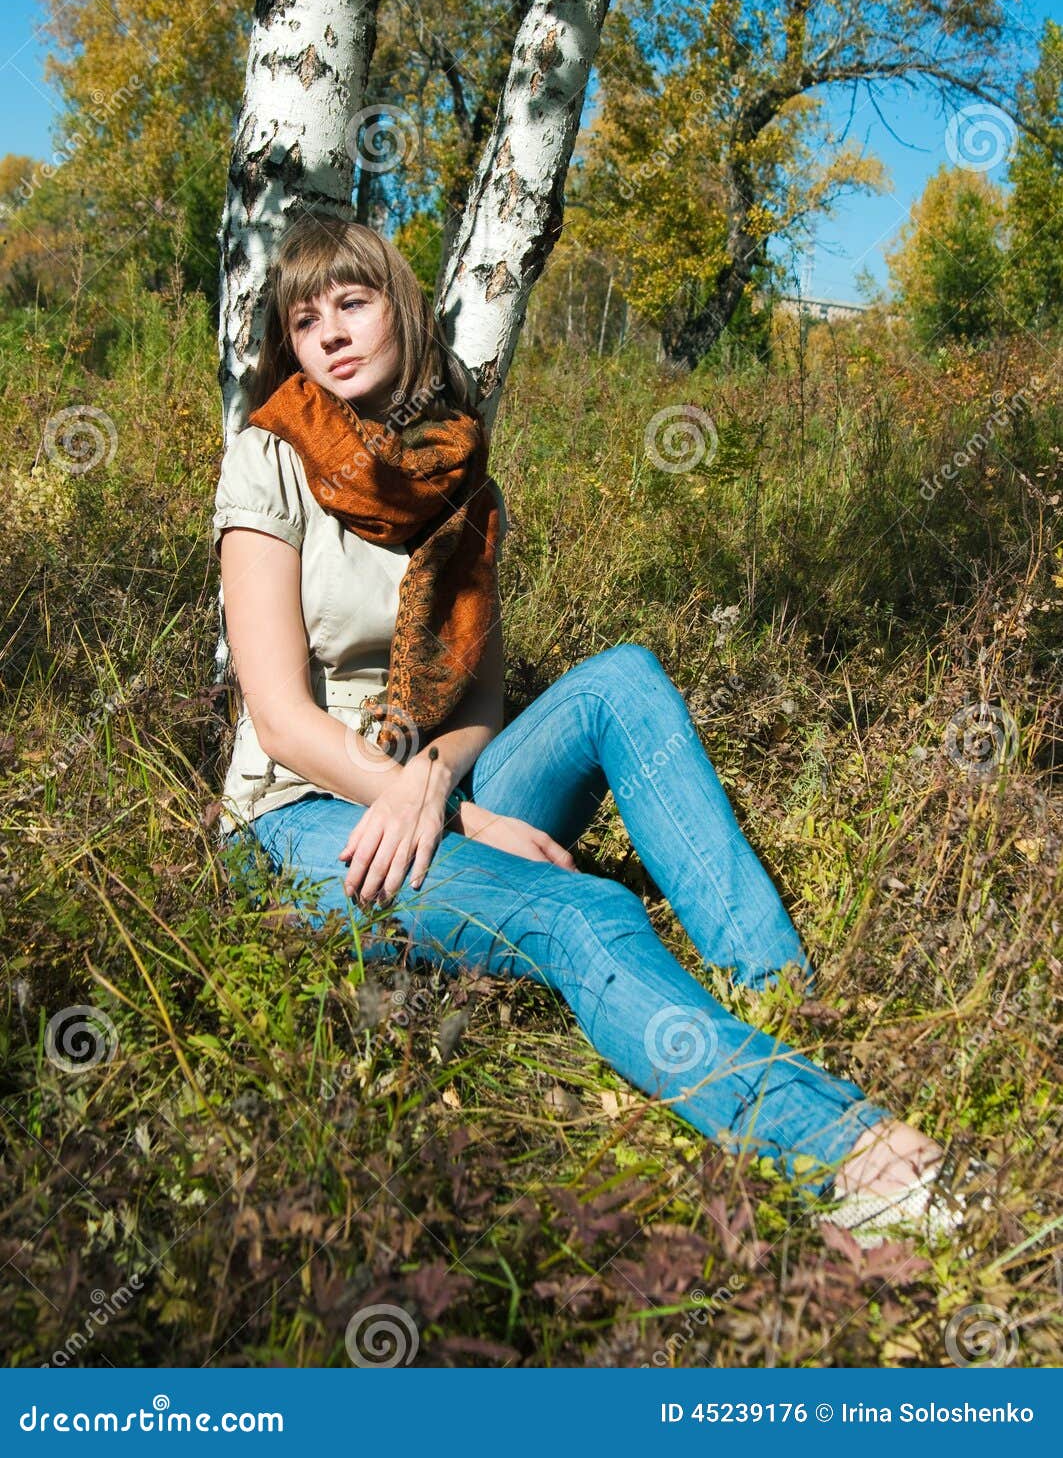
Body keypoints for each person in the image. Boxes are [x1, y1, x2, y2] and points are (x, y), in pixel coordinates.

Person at [212, 211, 979, 1246]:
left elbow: (478, 703)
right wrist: (442, 811)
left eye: (352, 303)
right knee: (587, 914)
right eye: (305, 322)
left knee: (623, 678)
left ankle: (787, 1001)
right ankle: (840, 1148)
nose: (332, 335)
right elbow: (281, 715)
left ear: (400, 308)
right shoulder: (270, 456)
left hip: (423, 786)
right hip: (299, 817)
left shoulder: (460, 479)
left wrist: (437, 787)